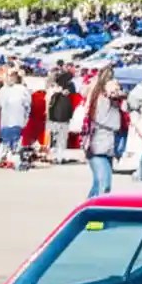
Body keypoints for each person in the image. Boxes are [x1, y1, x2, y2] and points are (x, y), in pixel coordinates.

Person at [82, 70, 123, 198]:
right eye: (114, 85)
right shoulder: (100, 98)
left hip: (107, 146)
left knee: (97, 184)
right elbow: (107, 121)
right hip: (97, 145)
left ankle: (88, 210)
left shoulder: (113, 101)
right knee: (104, 185)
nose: (117, 88)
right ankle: (95, 212)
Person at [0, 70, 31, 168]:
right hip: (9, 120)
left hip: (15, 120)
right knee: (8, 142)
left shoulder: (21, 90)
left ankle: (9, 159)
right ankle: (8, 159)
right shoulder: (4, 90)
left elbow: (27, 105)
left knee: (11, 142)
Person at [45, 71, 75, 164]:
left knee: (54, 137)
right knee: (61, 138)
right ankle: (59, 157)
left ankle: (54, 156)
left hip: (54, 117)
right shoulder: (67, 91)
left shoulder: (53, 90)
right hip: (63, 118)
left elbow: (48, 103)